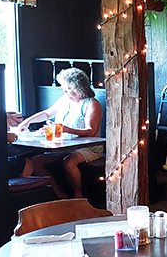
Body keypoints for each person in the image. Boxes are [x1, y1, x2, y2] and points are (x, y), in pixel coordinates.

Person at [16, 67, 103, 198]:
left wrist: (65, 129)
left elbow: (91, 131)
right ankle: (58, 192)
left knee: (69, 162)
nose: (64, 91)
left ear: (78, 87)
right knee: (35, 163)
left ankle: (78, 194)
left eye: (68, 88)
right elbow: (47, 113)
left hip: (87, 147)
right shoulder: (64, 99)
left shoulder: (91, 104)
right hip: (64, 144)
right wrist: (28, 121)